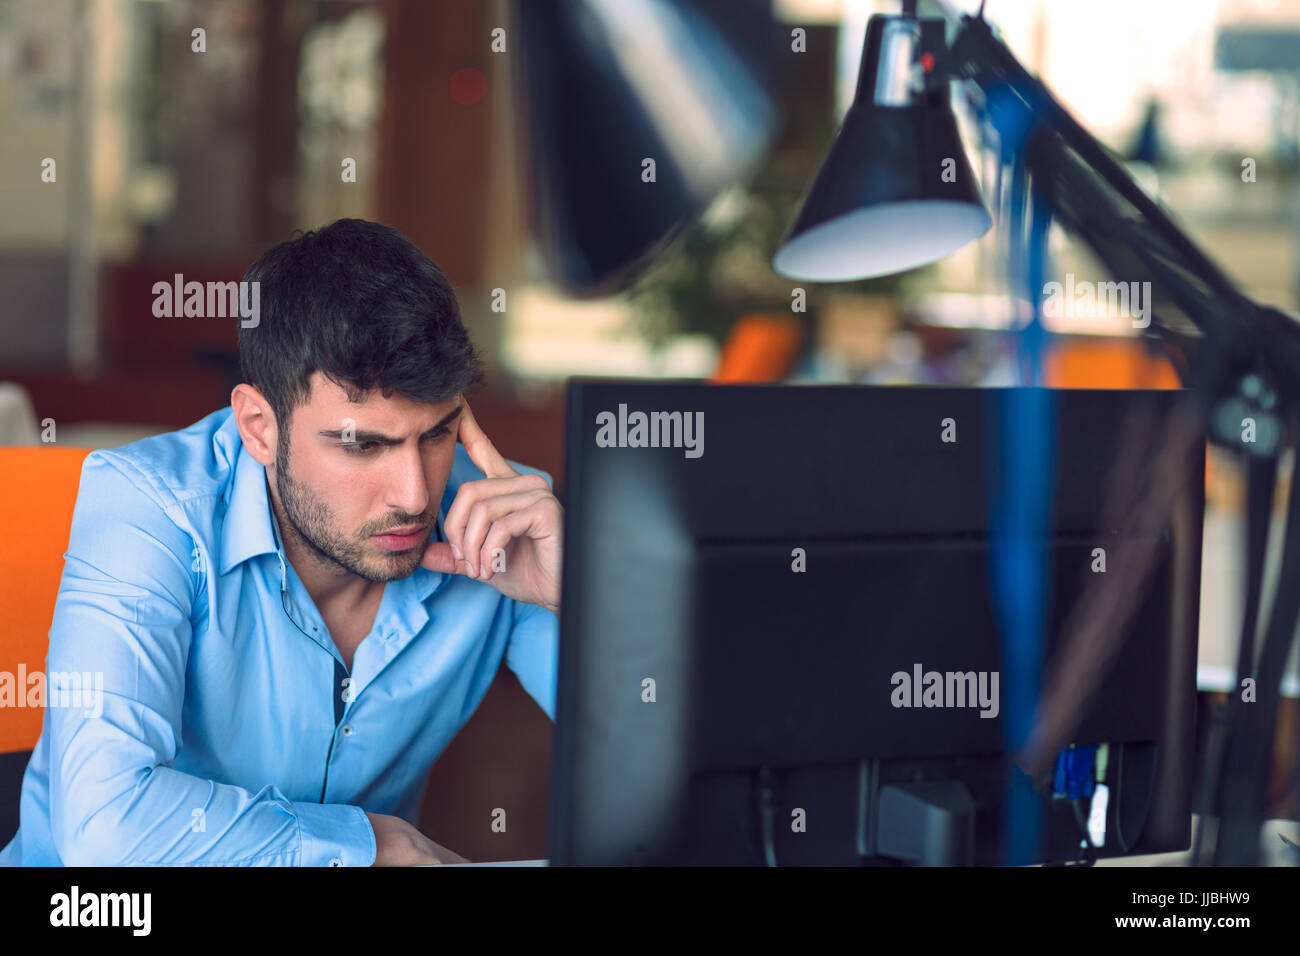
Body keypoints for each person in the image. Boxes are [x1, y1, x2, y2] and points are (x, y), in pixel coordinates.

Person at [0, 219, 562, 866]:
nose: (413, 494)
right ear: (259, 428)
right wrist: (368, 846)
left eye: (435, 435)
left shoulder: (497, 528)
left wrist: (576, 593)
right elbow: (105, 828)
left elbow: (658, 770)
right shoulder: (147, 509)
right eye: (362, 444)